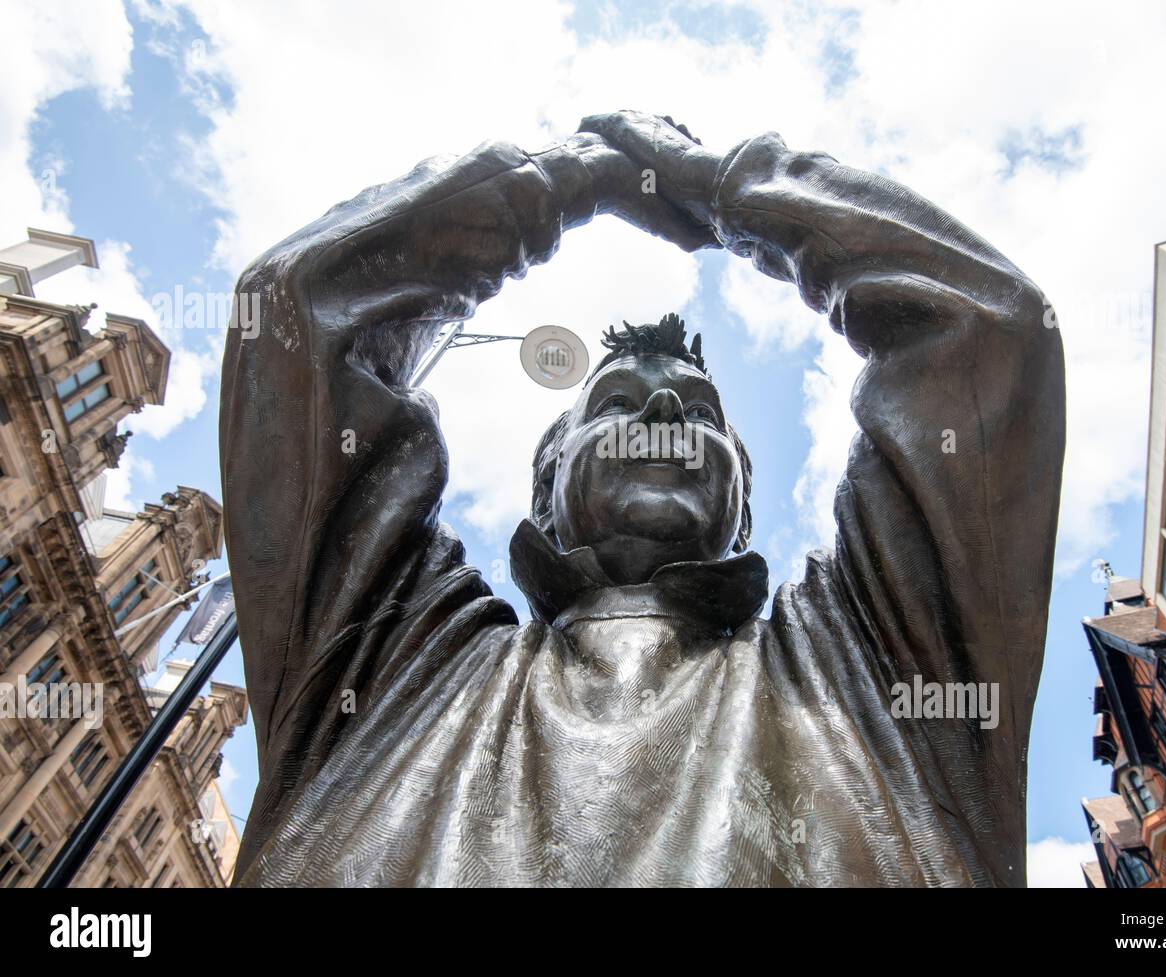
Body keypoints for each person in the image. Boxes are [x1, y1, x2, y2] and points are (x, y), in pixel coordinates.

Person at [219, 110, 1065, 886]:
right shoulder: (390, 659)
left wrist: (719, 187)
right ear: (548, 482)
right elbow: (296, 312)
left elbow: (985, 332)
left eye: (700, 413)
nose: (663, 410)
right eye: (617, 401)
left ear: (740, 504)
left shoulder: (873, 666)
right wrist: (557, 181)